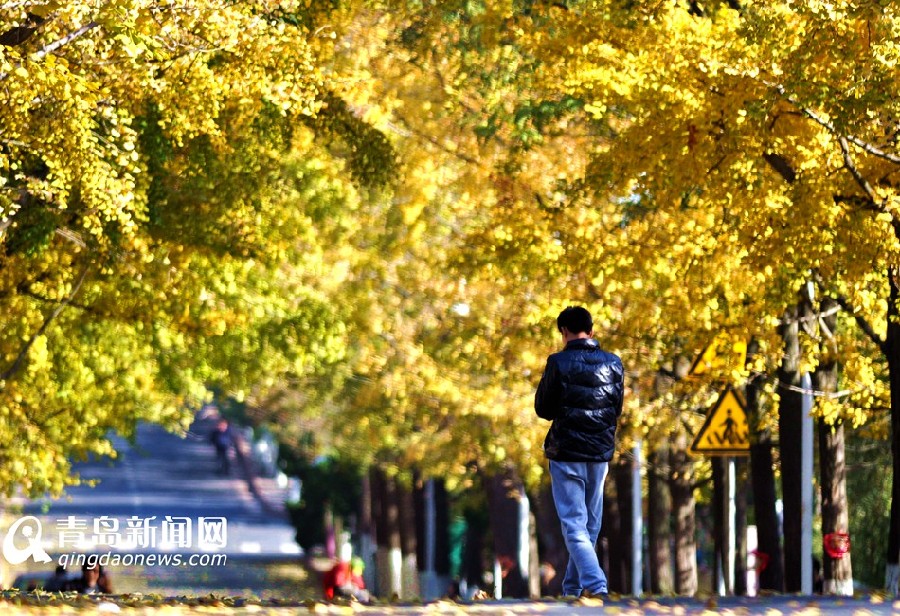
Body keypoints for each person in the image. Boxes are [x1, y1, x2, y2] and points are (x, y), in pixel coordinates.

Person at [535, 306, 624, 599]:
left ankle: (596, 585)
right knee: (591, 525)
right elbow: (616, 409)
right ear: (592, 330)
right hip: (599, 453)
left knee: (575, 524)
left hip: (566, 453)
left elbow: (543, 409)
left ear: (564, 331)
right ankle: (572, 588)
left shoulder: (558, 363)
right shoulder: (614, 363)